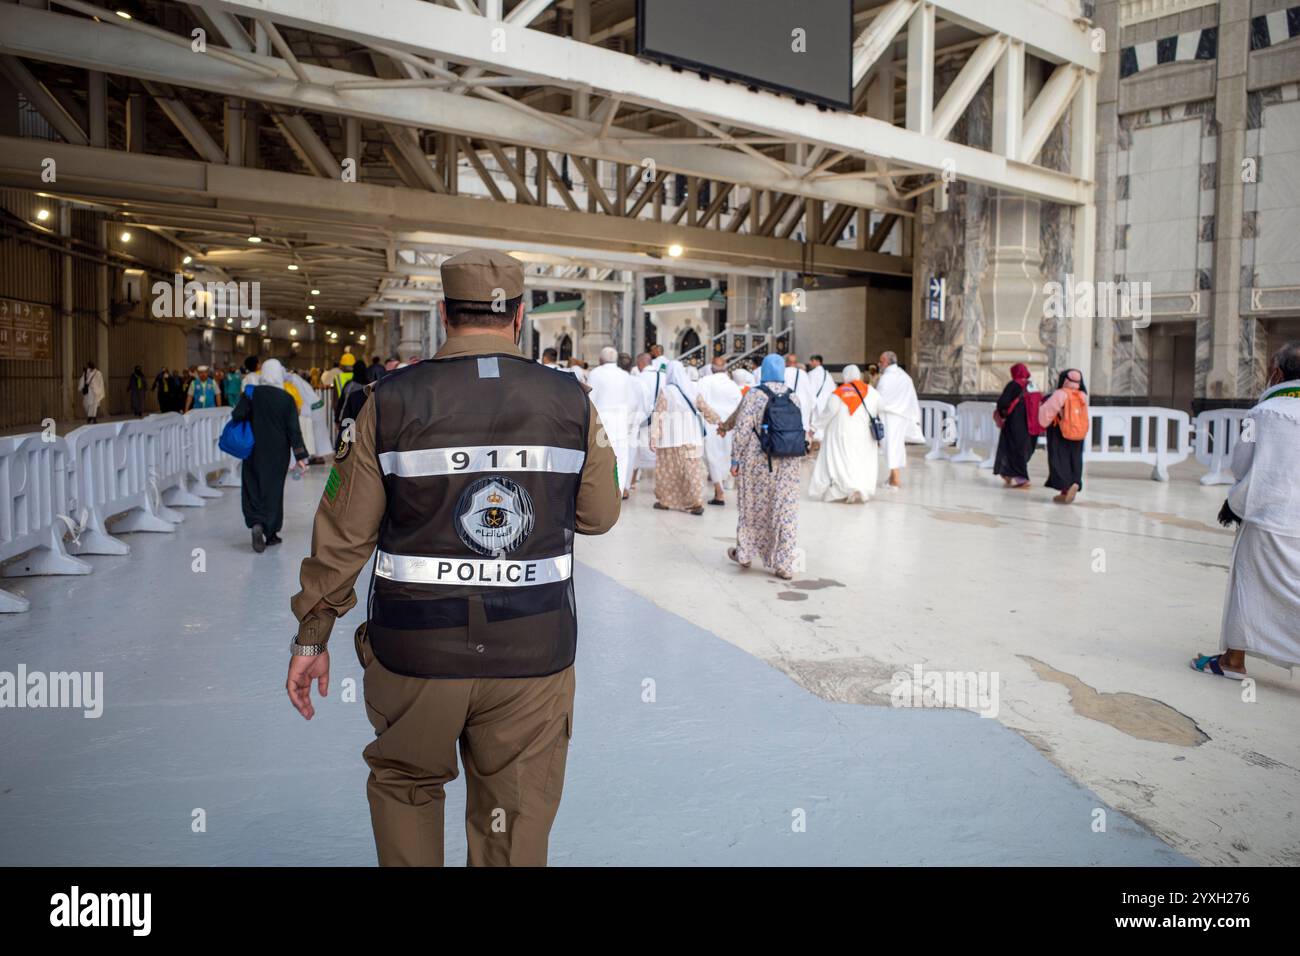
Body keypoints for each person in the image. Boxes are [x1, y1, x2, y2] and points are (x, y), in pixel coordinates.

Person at [287, 250, 619, 868]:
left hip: (416, 652)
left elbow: (342, 535)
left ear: (444, 313)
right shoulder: (571, 400)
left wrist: (312, 637)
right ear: (519, 316)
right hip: (532, 650)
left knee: (408, 787)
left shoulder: (386, 400)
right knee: (513, 819)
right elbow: (599, 515)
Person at [1193, 342, 1300, 680]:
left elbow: (1241, 464)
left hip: (1267, 517)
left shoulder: (1262, 413)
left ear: (1277, 372)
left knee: (1248, 588)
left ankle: (1233, 661)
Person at [723, 354, 802, 579]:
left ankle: (746, 554)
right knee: (785, 511)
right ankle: (784, 564)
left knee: (752, 508)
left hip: (758, 461)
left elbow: (742, 430)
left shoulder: (754, 395)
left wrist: (735, 459)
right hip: (789, 463)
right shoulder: (793, 396)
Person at [229, 358, 308, 550]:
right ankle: (271, 533)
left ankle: (256, 521)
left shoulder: (252, 394)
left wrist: (249, 404)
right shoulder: (286, 399)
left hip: (253, 450)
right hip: (277, 453)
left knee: (252, 486)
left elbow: (237, 415)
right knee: (273, 491)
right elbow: (294, 431)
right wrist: (300, 456)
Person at [651, 360, 722, 514]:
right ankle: (696, 502)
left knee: (668, 472)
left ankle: (665, 501)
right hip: (692, 437)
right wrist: (719, 423)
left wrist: (654, 437)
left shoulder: (666, 391)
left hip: (670, 439)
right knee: (692, 470)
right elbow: (705, 409)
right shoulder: (692, 389)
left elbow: (659, 415)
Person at [807, 365, 880, 502]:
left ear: (845, 376)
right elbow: (880, 407)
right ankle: (858, 486)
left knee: (842, 460)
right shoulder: (871, 391)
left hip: (842, 432)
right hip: (864, 434)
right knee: (860, 459)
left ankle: (844, 488)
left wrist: (814, 427)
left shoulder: (840, 392)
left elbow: (830, 411)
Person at [587, 346, 640, 499]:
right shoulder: (624, 375)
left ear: (600, 360)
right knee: (621, 459)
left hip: (601, 423)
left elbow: (590, 400)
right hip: (620, 423)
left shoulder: (595, 373)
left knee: (599, 459)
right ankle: (618, 492)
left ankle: (601, 494)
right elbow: (633, 402)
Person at [1037, 368, 1088, 503]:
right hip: (1078, 434)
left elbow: (1046, 413)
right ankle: (1073, 484)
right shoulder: (1082, 395)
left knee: (1060, 459)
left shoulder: (1060, 394)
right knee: (1075, 459)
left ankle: (1067, 485)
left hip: (1061, 433)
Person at [697, 356, 743, 505]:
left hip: (711, 425)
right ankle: (726, 486)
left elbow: (698, 402)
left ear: (711, 368)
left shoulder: (704, 382)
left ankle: (719, 492)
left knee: (712, 457)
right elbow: (740, 408)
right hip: (729, 426)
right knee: (727, 455)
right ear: (725, 368)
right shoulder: (733, 386)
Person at [875, 350, 923, 489]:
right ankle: (892, 477)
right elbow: (912, 398)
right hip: (901, 417)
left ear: (887, 362)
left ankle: (895, 479)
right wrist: (914, 416)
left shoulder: (887, 378)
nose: (879, 364)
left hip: (889, 416)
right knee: (896, 446)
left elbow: (879, 398)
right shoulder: (905, 376)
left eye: (881, 361)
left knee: (890, 446)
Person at [993, 363, 1036, 489]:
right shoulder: (1032, 385)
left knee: (1012, 449)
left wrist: (1002, 413)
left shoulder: (1013, 385)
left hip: (1015, 423)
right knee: (1022, 449)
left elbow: (1003, 403)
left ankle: (1022, 479)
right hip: (1031, 424)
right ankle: (1007, 473)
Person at [783, 353, 818, 439]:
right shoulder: (803, 374)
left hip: (785, 410)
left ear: (786, 363)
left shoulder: (782, 373)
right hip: (801, 410)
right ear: (796, 363)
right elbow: (811, 396)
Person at [805, 355, 833, 444]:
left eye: (812, 361)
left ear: (818, 362)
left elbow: (809, 392)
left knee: (815, 430)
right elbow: (833, 390)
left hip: (816, 406)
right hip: (827, 405)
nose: (810, 363)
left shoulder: (811, 374)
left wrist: (810, 407)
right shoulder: (828, 375)